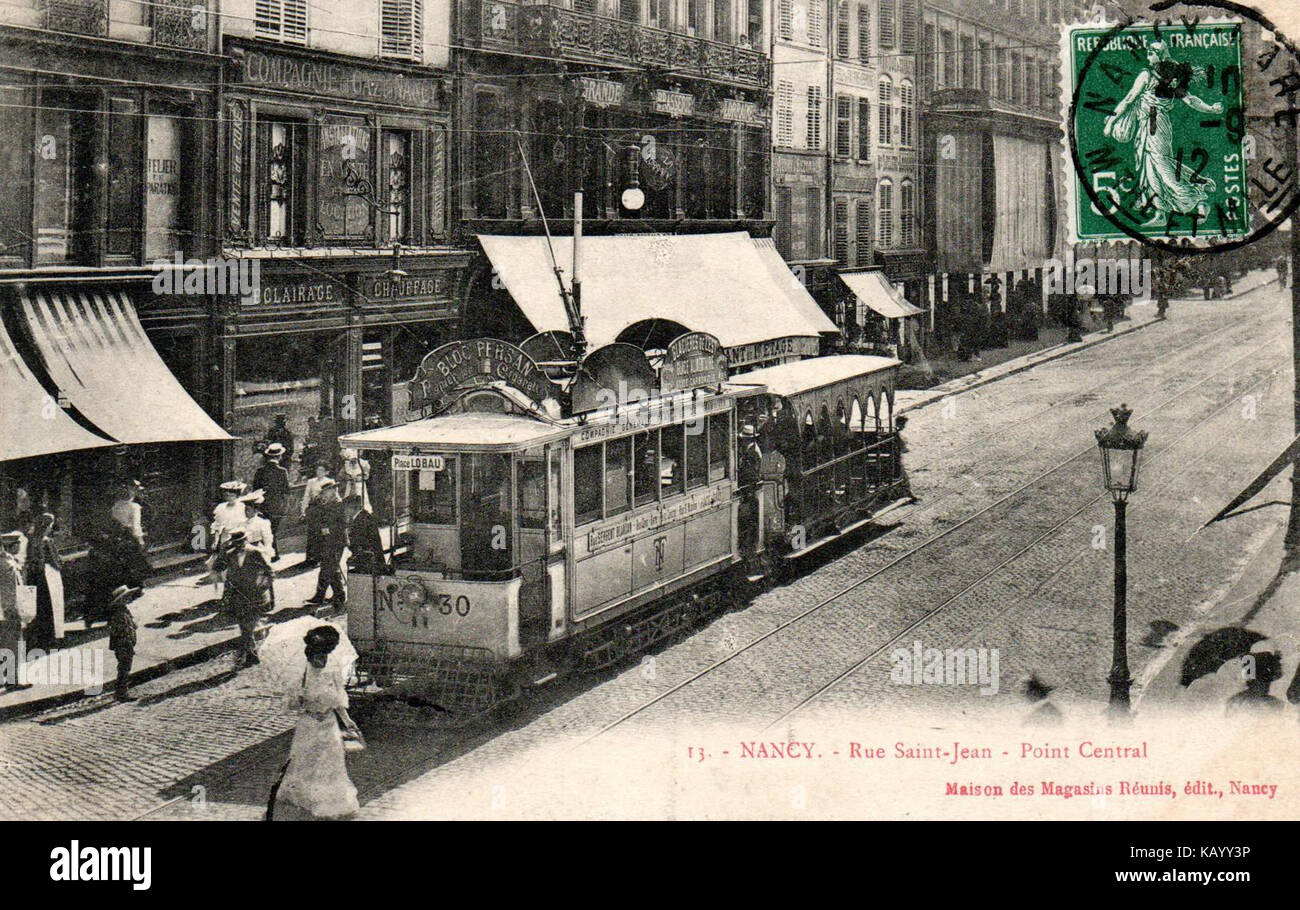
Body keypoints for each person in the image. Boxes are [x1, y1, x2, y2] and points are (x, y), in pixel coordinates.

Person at [1103, 39, 1222, 227]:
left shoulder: (1150, 75)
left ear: (1159, 56)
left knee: (1159, 166)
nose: (1148, 56)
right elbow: (1190, 100)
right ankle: (1162, 211)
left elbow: (1128, 99)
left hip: (1154, 126)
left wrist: (1110, 121)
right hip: (1153, 125)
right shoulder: (1166, 76)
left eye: (1151, 53)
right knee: (1153, 166)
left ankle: (1198, 200)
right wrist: (1211, 109)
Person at [270, 625, 360, 820]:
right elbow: (289, 706)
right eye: (318, 657)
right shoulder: (301, 673)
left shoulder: (333, 668)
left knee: (331, 764)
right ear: (310, 656)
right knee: (305, 761)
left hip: (328, 724)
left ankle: (330, 801)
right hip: (308, 724)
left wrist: (347, 720)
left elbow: (338, 698)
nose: (322, 661)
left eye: (325, 657)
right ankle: (306, 796)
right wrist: (298, 699)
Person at [212, 531, 275, 670]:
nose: (239, 546)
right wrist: (222, 550)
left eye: (241, 543)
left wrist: (262, 587)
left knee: (248, 626)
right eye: (235, 543)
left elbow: (270, 572)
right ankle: (252, 654)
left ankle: (251, 654)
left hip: (254, 596)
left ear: (246, 541)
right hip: (238, 596)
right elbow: (217, 567)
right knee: (244, 626)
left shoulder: (256, 552)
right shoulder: (230, 554)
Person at [305, 480, 348, 608]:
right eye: (324, 492)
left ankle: (320, 596)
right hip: (328, 540)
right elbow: (313, 513)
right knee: (330, 567)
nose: (325, 494)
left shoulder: (339, 504)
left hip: (337, 540)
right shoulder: (325, 503)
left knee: (328, 567)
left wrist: (329, 529)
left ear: (333, 491)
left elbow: (343, 524)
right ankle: (339, 595)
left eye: (328, 491)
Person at [23, 512, 61, 650]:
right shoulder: (47, 541)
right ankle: (48, 639)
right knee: (48, 607)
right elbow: (55, 561)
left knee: (34, 608)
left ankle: (34, 639)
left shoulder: (31, 539)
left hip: (32, 577)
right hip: (45, 577)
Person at [0, 531, 29, 691]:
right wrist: (12, 609)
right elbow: (8, 589)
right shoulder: (6, 564)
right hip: (8, 610)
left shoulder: (8, 561)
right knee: (12, 645)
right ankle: (12, 681)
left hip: (4, 611)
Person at [253, 444, 291, 559]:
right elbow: (286, 490)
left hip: (263, 505)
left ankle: (270, 553)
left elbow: (255, 490)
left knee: (265, 529)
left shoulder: (260, 471)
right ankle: (272, 554)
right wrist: (286, 505)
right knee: (272, 529)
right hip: (277, 506)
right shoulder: (282, 471)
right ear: (279, 457)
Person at [106, 585, 141, 702]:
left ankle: (120, 692)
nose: (128, 598)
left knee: (124, 668)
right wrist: (129, 645)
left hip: (125, 644)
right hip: (123, 645)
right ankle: (122, 693)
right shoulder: (119, 614)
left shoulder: (124, 611)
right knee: (124, 669)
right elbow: (122, 631)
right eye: (126, 597)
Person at [300, 464, 333, 568]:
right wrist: (303, 511)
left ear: (326, 472)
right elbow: (306, 496)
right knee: (311, 534)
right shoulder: (311, 482)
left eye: (322, 470)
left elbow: (333, 496)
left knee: (321, 534)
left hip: (324, 511)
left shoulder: (330, 481)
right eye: (318, 470)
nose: (319, 472)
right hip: (314, 510)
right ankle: (310, 558)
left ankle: (319, 558)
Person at [345, 496, 385, 574]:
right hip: (371, 558)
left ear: (352, 508)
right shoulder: (364, 516)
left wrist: (348, 542)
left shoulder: (361, 520)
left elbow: (360, 542)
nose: (345, 511)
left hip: (368, 561)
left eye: (346, 508)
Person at [240, 490, 277, 565]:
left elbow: (267, 539)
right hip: (245, 548)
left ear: (255, 510)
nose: (246, 512)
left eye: (248, 510)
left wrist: (267, 550)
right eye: (245, 509)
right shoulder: (243, 523)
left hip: (258, 548)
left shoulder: (262, 522)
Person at [110, 480, 145, 547]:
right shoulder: (134, 507)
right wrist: (140, 541)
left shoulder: (116, 506)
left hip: (118, 536)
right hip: (130, 537)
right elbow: (136, 525)